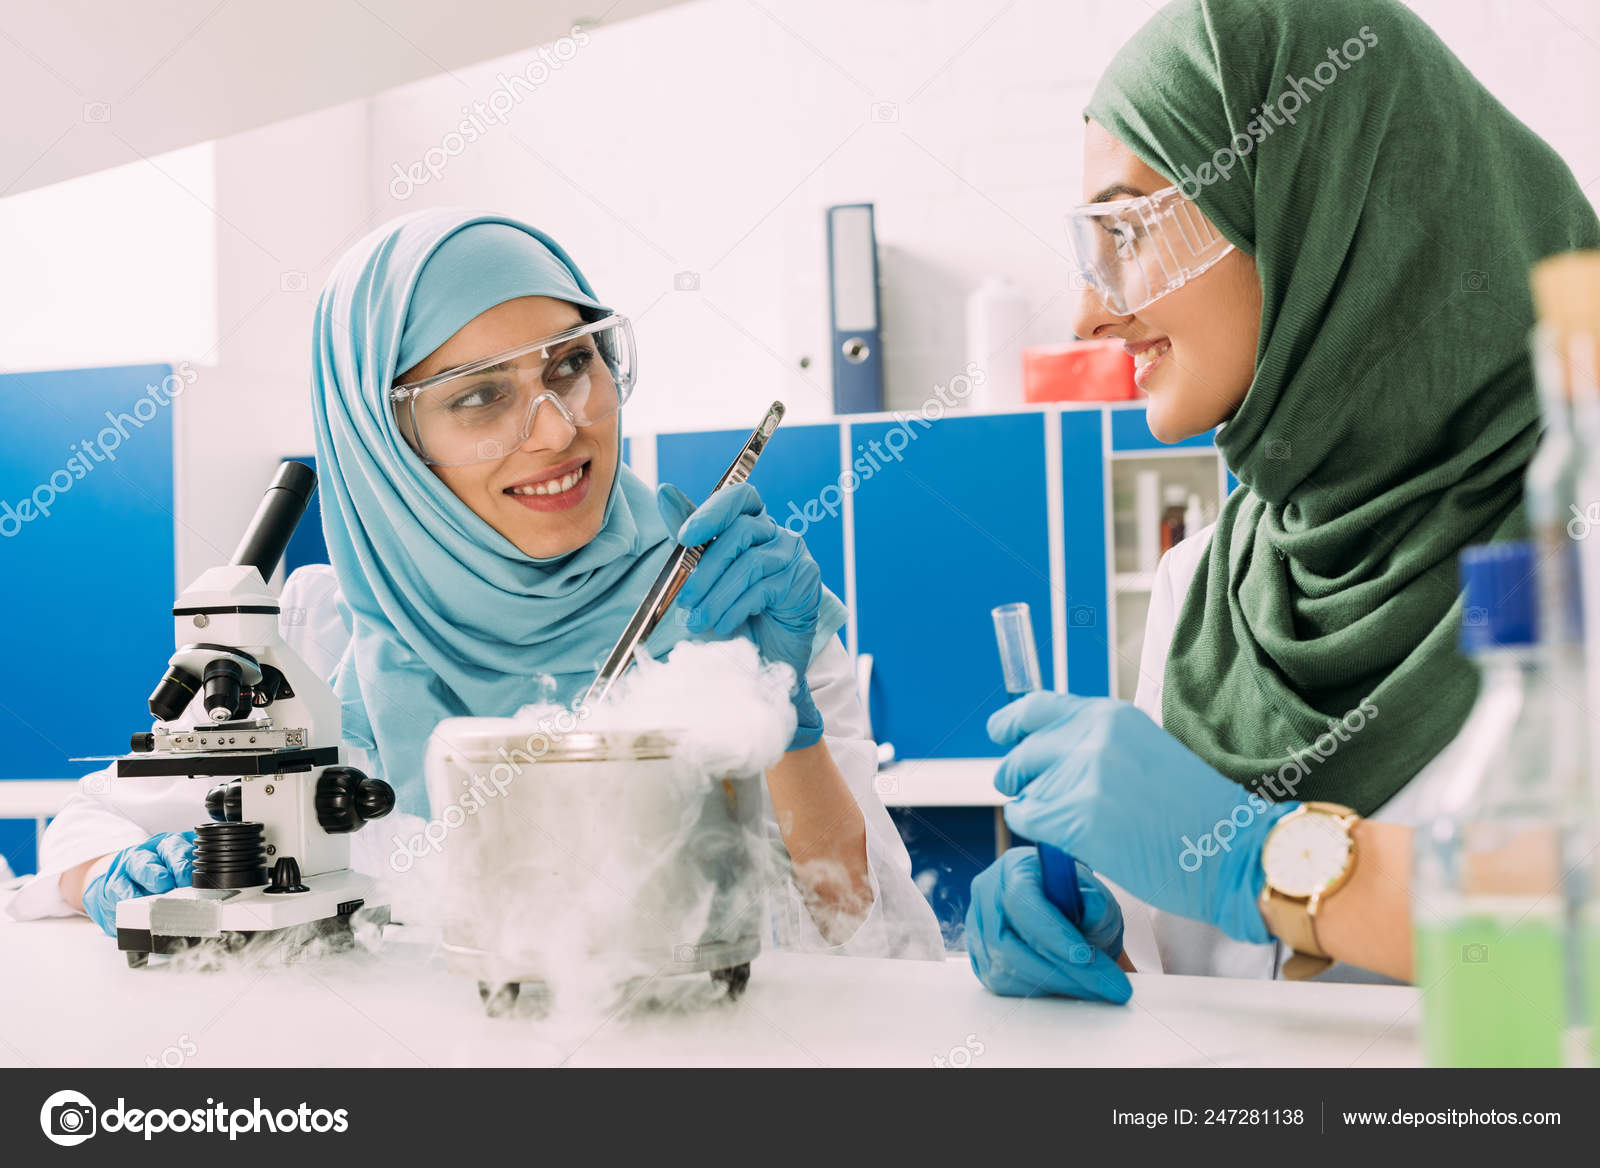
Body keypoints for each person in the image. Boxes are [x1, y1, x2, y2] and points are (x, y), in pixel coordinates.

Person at [13, 210, 944, 961]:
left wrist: (782, 722)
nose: (556, 430)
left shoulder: (736, 604)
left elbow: (868, 932)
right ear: (382, 448)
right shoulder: (317, 642)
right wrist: (108, 876)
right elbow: (89, 818)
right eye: (477, 396)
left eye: (572, 365)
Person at [966, 0, 1600, 1001]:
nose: (1090, 308)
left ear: (1325, 207)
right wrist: (1098, 952)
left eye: (1127, 227)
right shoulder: (1197, 592)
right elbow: (1205, 1004)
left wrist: (1266, 862)